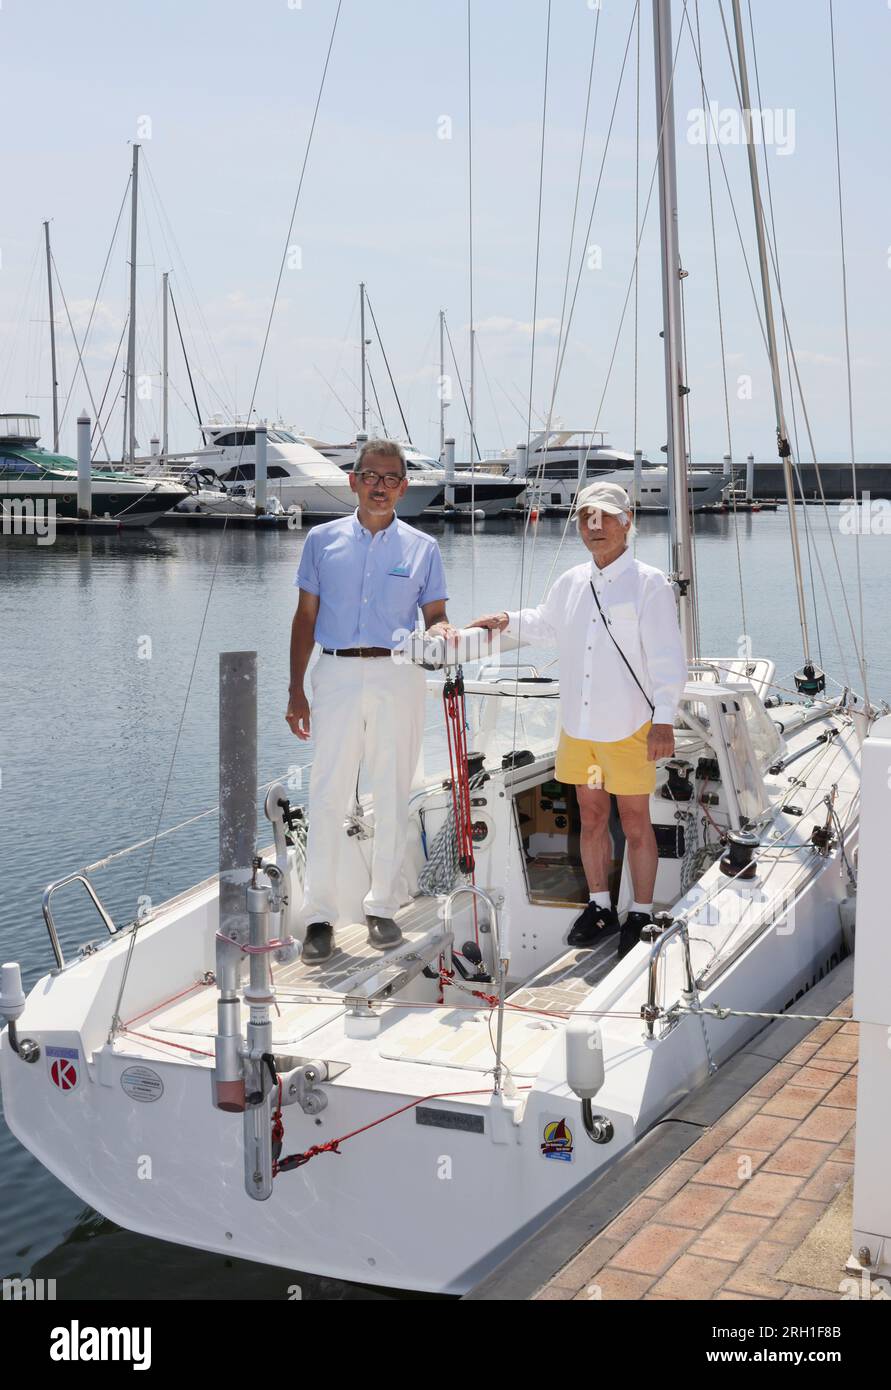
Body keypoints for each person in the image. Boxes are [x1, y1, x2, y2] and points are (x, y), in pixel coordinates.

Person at [469, 481, 687, 959]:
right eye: (587, 516)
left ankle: (643, 912)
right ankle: (601, 905)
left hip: (629, 728)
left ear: (627, 521)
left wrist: (664, 719)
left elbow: (669, 658)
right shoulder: (571, 582)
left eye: (606, 516)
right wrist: (506, 618)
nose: (596, 526)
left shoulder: (650, 584)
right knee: (590, 818)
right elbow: (546, 623)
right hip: (579, 729)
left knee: (634, 822)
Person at [286, 439, 455, 963]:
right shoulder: (321, 540)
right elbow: (305, 619)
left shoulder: (423, 548)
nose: (380, 486)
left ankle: (381, 907)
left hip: (398, 676)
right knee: (327, 794)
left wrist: (445, 630)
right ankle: (318, 916)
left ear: (403, 486)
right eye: (370, 476)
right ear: (353, 481)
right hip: (334, 672)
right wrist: (296, 690)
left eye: (391, 479)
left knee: (391, 788)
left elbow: (437, 617)